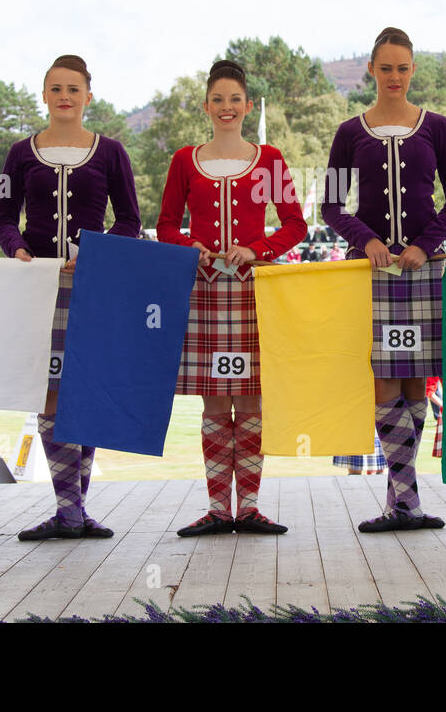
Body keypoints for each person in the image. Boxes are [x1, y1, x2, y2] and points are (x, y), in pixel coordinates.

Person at [321, 26, 446, 532]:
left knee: (415, 381)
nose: (395, 77)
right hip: (370, 270)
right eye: (386, 68)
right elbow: (330, 205)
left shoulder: (438, 128)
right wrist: (367, 240)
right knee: (384, 379)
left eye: (403, 68)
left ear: (413, 70)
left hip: (425, 268)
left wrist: (424, 244)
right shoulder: (348, 133)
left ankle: (403, 502)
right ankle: (404, 502)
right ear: (371, 70)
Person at [156, 59, 307, 536]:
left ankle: (251, 508)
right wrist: (191, 248)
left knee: (252, 402)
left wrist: (257, 249)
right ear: (206, 106)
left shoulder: (269, 159)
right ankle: (220, 508)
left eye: (235, 99)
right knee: (215, 404)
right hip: (202, 292)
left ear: (247, 105)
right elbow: (164, 226)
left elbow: (295, 225)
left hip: (251, 292)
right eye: (218, 99)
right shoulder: (184, 160)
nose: (226, 107)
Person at [0, 54, 141, 541]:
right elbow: (2, 217)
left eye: (73, 89)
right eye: (56, 88)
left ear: (88, 97)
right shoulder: (19, 153)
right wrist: (16, 249)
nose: (64, 97)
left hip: (94, 286)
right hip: (37, 285)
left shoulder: (111, 152)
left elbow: (130, 221)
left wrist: (97, 252)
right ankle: (69, 511)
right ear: (44, 95)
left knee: (86, 392)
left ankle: (73, 511)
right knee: (51, 391)